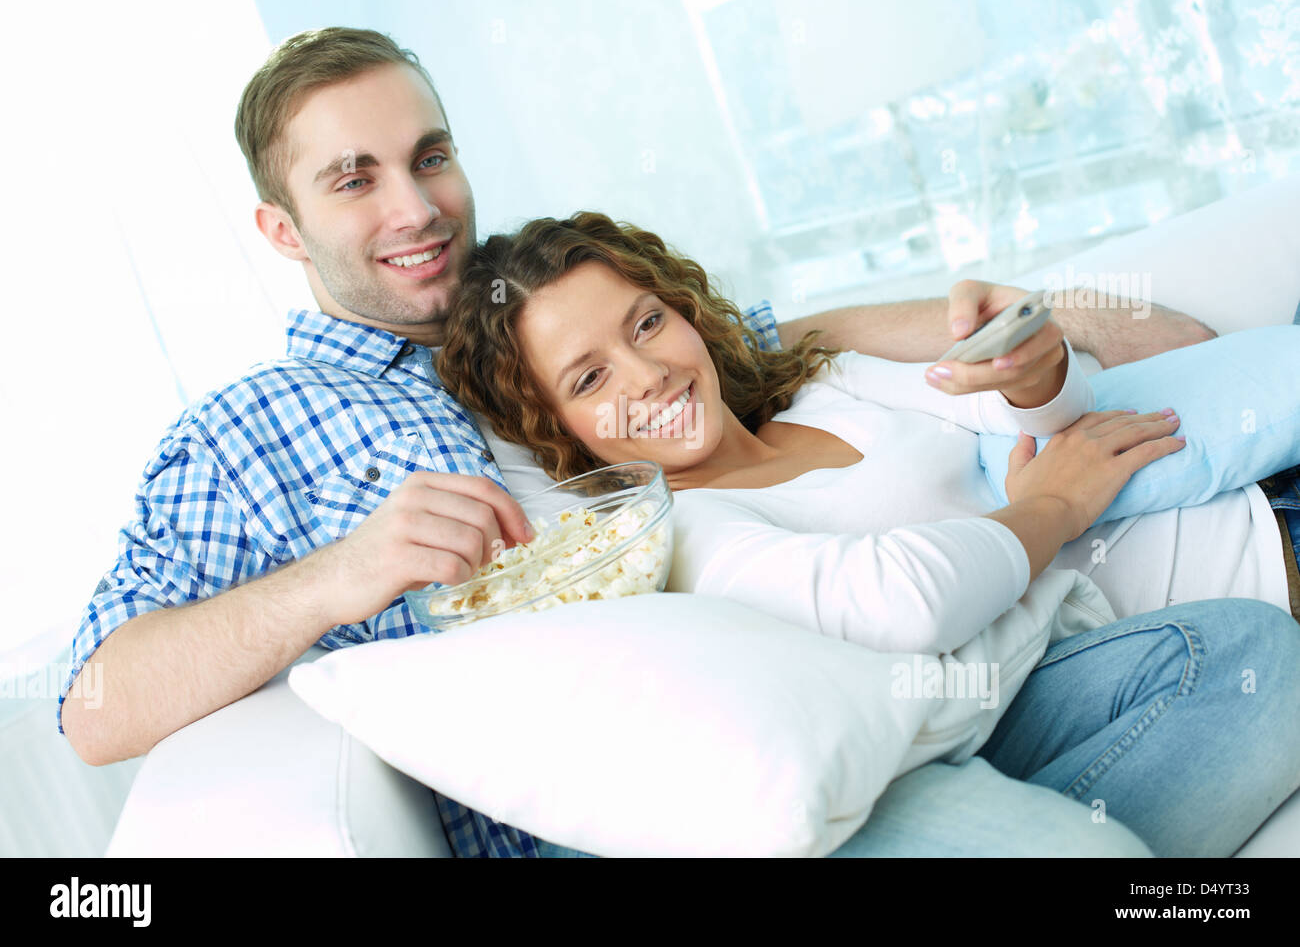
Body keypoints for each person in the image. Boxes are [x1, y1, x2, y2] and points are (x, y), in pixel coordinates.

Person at [57, 26, 1227, 859]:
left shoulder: (540, 311)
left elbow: (742, 342)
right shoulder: (251, 430)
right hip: (649, 798)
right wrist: (339, 574)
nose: (413, 209)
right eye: (352, 180)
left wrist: (1038, 325)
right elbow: (95, 706)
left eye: (429, 156)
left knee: (1231, 667)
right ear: (281, 225)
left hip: (847, 696)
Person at [432, 211, 1300, 857]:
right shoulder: (690, 531)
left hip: (1242, 504)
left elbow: (1032, 427)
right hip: (1095, 658)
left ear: (685, 310)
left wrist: (1038, 371)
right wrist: (1050, 511)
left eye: (648, 323)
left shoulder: (831, 383)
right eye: (591, 377)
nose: (649, 373)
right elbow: (897, 601)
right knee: (1251, 666)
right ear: (557, 430)